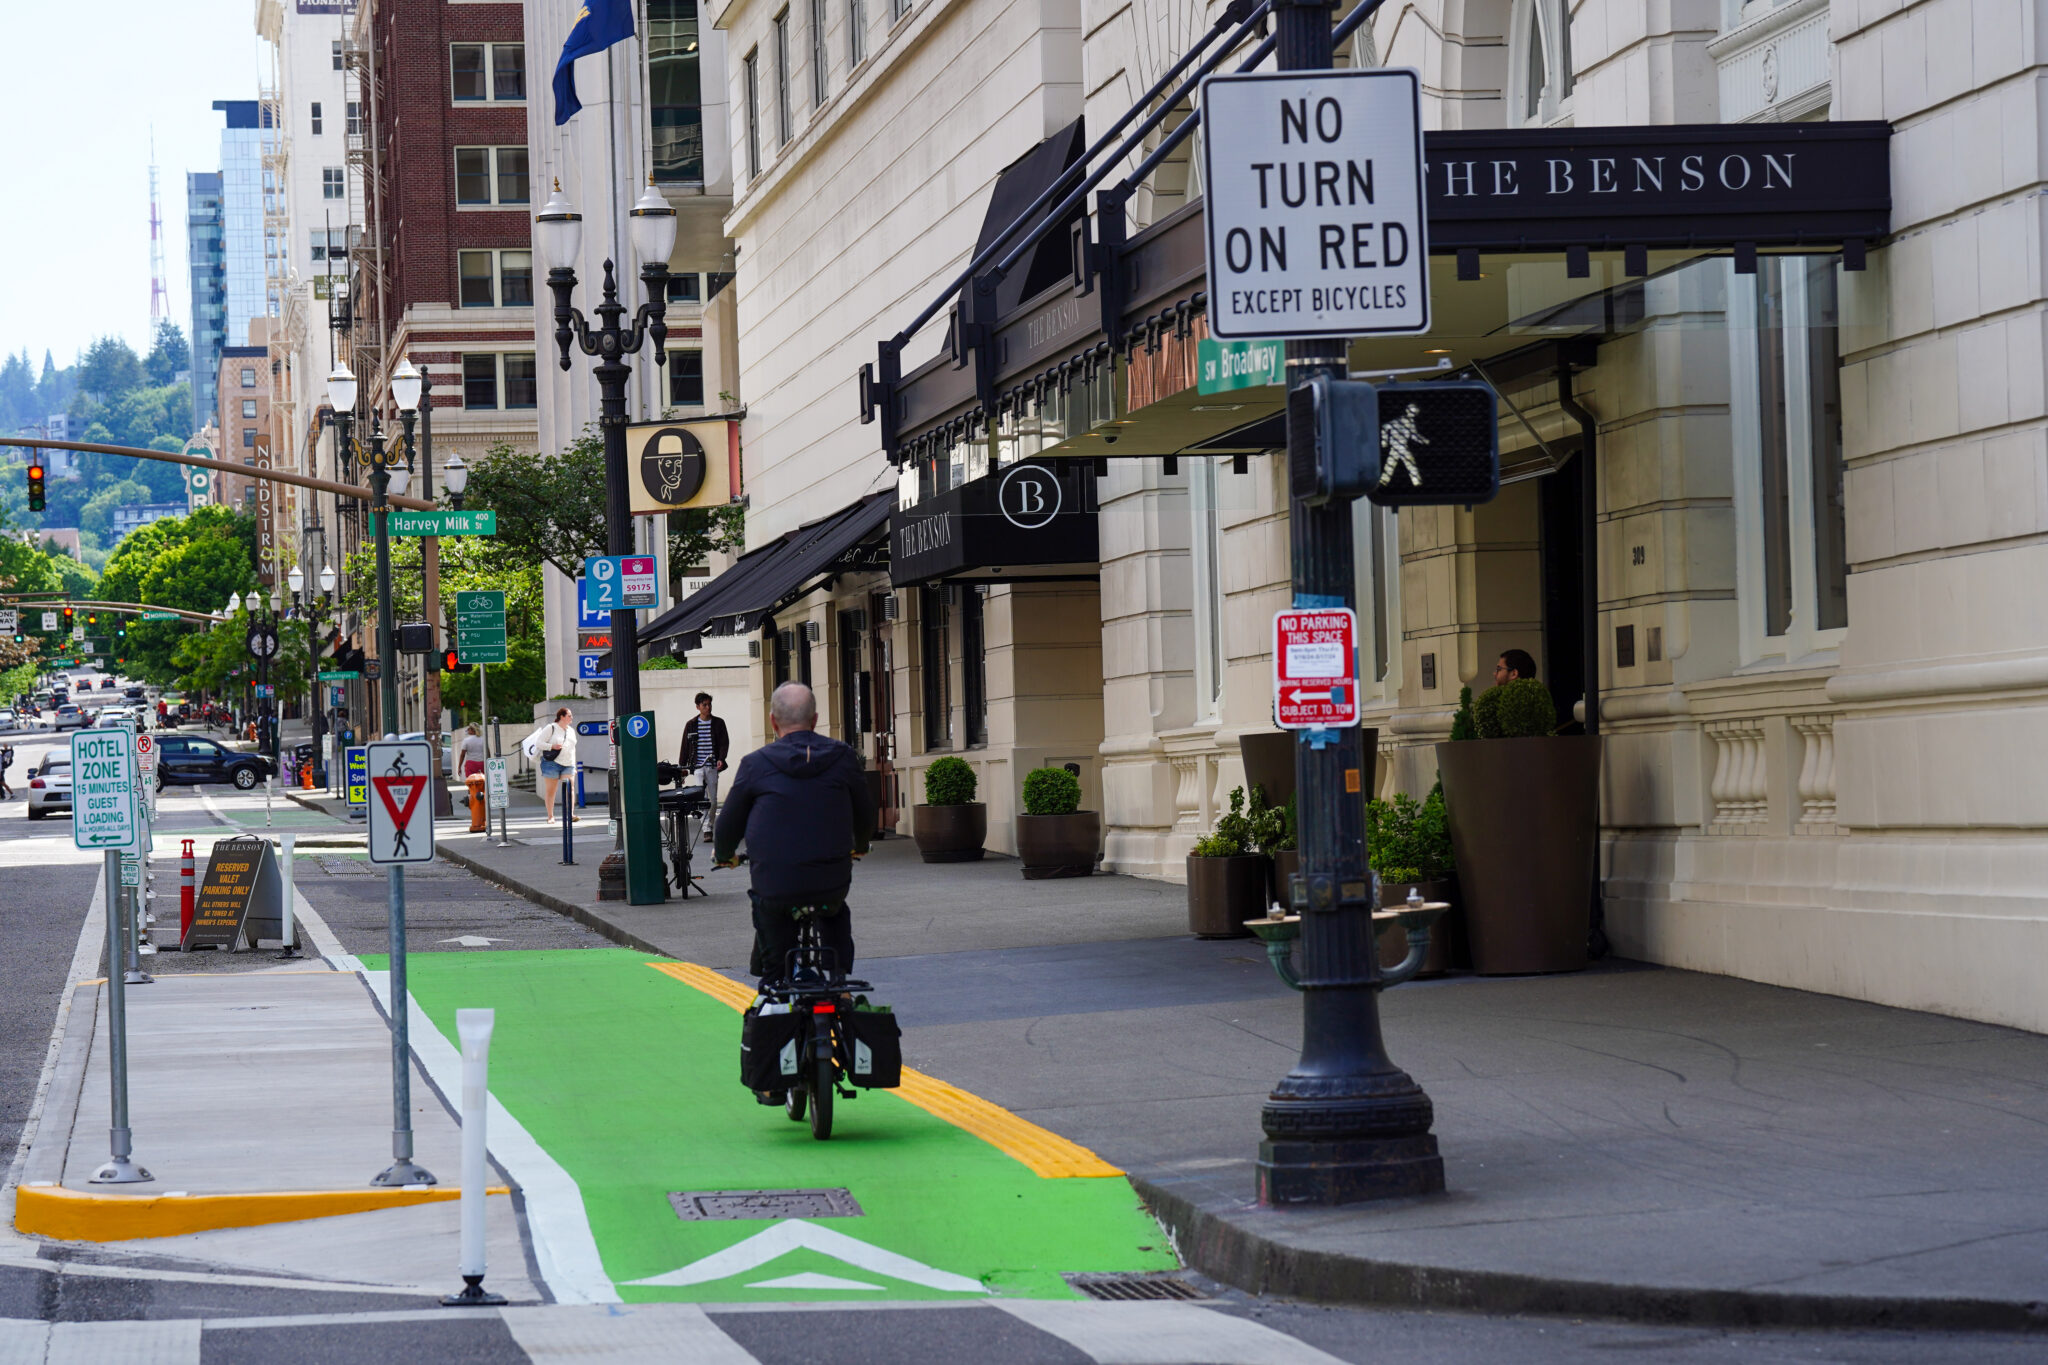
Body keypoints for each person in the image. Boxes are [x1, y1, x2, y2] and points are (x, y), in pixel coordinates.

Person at [713, 682, 877, 994]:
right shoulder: (843, 756)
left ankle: (774, 979)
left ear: (773, 722)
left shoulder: (755, 764)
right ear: (814, 720)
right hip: (831, 882)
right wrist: (859, 844)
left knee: (771, 930)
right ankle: (838, 978)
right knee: (834, 908)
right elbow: (866, 814)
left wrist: (724, 854)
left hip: (775, 886)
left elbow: (728, 827)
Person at [677, 692, 730, 839]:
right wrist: (682, 768)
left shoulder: (719, 723)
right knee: (701, 798)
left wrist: (721, 758)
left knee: (712, 800)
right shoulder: (691, 724)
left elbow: (724, 743)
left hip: (713, 766)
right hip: (698, 767)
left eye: (709, 704)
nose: (708, 707)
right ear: (698, 707)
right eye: (704, 705)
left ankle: (710, 824)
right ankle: (707, 828)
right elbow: (685, 746)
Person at [523, 707, 580, 824]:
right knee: (551, 791)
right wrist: (552, 746)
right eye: (569, 715)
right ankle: (550, 816)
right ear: (562, 717)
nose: (572, 718)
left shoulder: (571, 731)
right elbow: (539, 743)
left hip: (568, 763)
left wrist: (573, 766)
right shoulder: (551, 728)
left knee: (570, 788)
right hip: (551, 763)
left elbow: (572, 749)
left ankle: (571, 814)